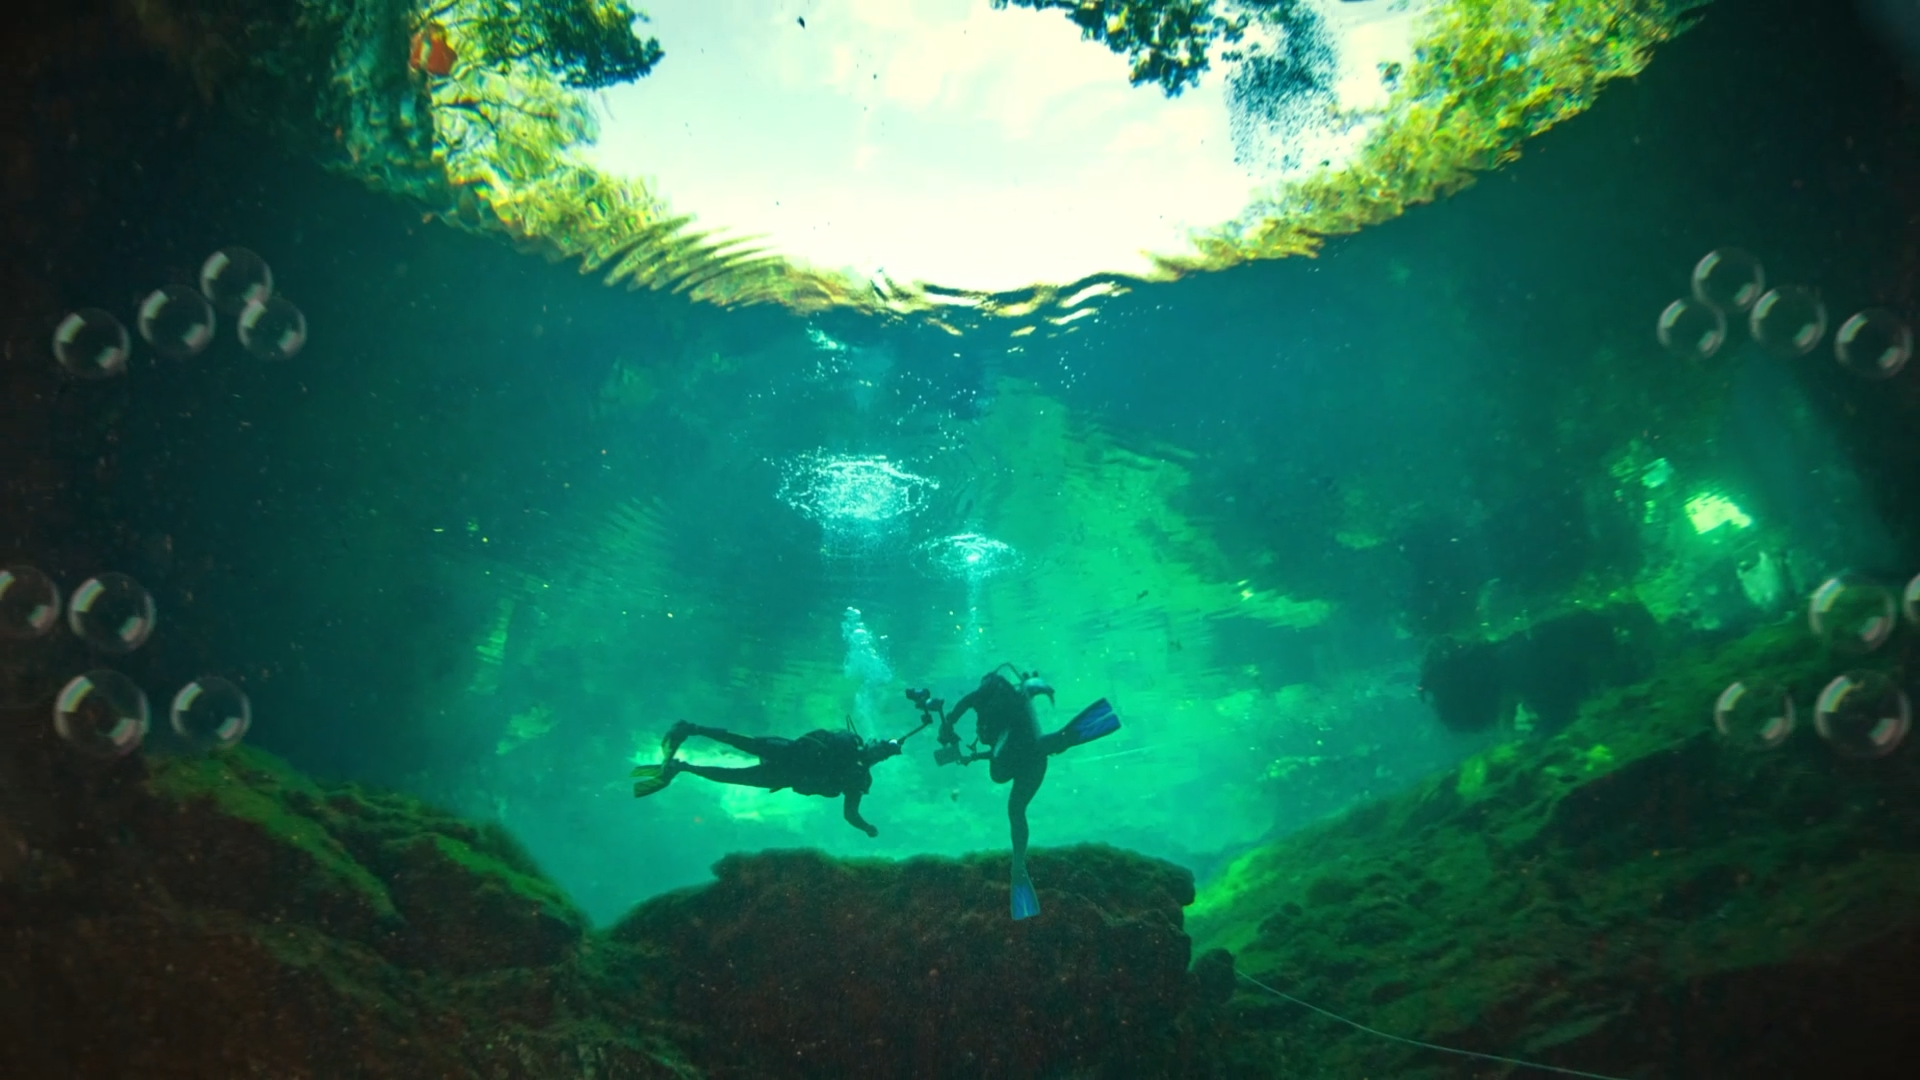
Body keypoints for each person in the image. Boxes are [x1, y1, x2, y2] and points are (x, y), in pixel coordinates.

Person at [937, 665, 1119, 919]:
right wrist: (974, 754)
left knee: (1014, 805)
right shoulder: (1014, 701)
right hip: (1033, 759)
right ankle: (1066, 737)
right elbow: (1008, 744)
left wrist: (947, 725)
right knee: (1017, 800)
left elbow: (966, 703)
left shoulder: (988, 694)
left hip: (1021, 756)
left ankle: (1019, 865)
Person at [631, 720, 903, 837]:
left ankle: (682, 764)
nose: (877, 753)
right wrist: (865, 826)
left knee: (733, 773)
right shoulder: (849, 747)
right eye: (880, 748)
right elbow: (849, 812)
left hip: (784, 771)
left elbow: (850, 814)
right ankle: (691, 731)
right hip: (787, 755)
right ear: (872, 743)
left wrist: (866, 826)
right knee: (741, 745)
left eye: (882, 753)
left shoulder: (859, 779)